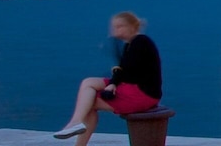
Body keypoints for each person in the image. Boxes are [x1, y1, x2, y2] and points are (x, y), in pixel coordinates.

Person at [53, 12, 161, 144]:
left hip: (142, 94)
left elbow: (129, 73)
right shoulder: (130, 44)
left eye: (120, 26)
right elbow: (124, 71)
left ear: (132, 27)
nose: (116, 30)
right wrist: (113, 83)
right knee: (88, 83)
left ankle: (77, 127)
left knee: (89, 103)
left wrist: (113, 83)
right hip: (133, 87)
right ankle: (76, 123)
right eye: (114, 26)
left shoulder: (141, 42)